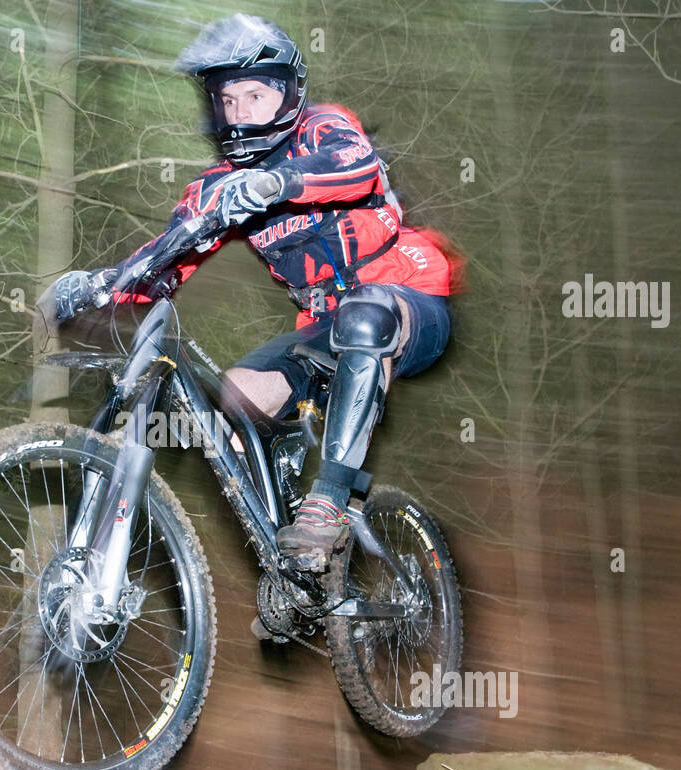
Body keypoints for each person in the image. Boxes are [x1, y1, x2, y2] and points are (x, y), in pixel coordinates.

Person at [53, 13, 457, 571]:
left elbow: (355, 168)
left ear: (288, 95)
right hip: (321, 324)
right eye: (228, 99)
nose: (240, 112)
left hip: (408, 299)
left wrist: (276, 182)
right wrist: (98, 286)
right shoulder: (218, 184)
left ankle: (330, 502)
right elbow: (169, 258)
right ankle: (285, 552)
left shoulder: (322, 129)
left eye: (255, 94)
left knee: (365, 317)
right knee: (236, 399)